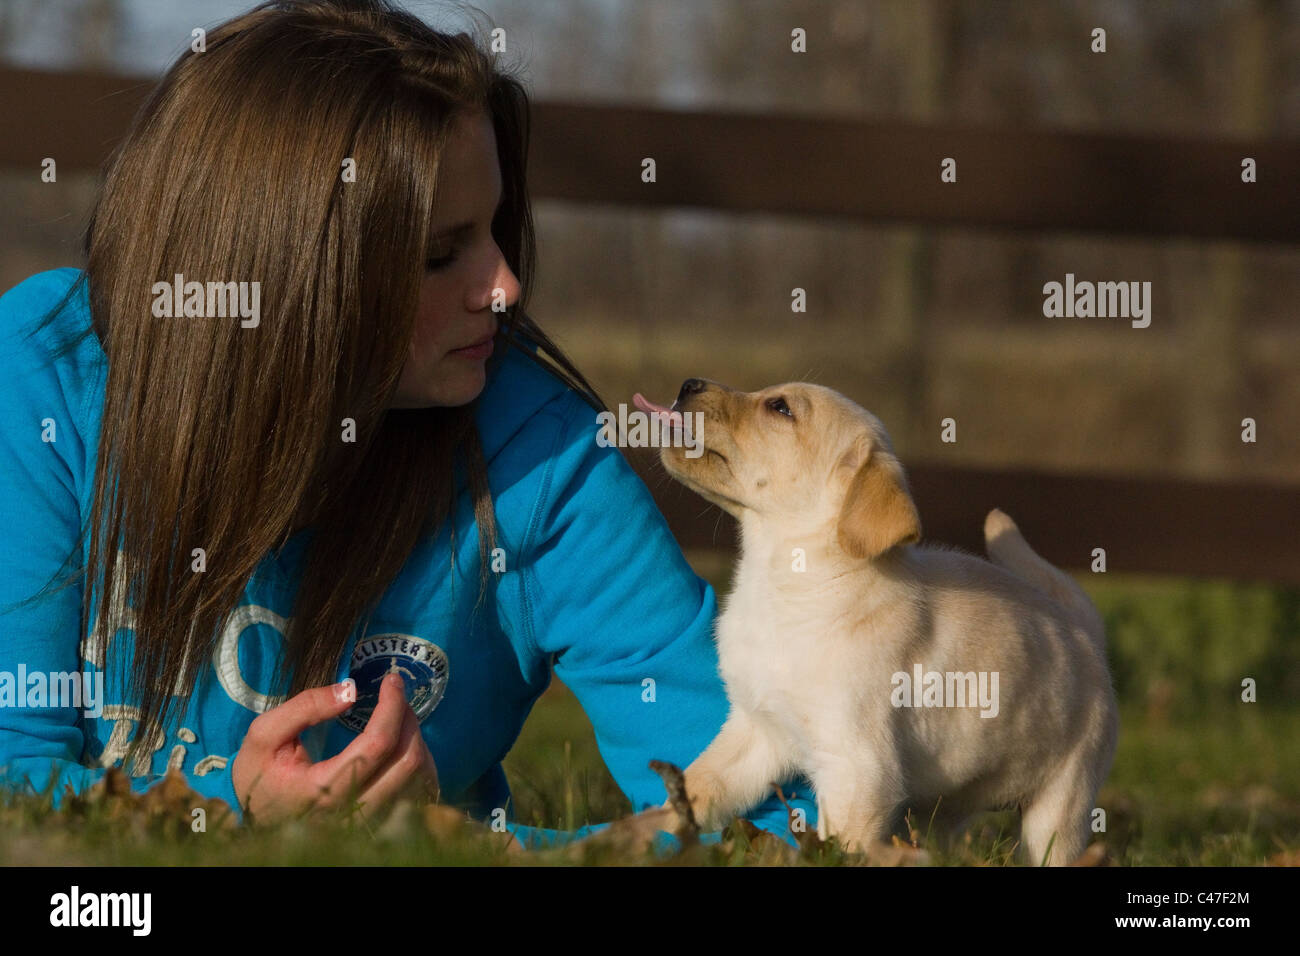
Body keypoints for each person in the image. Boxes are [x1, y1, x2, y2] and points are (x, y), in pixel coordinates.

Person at [0, 0, 817, 852]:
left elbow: (782, 817)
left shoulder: (542, 455)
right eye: (441, 252)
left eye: (496, 231)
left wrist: (440, 847)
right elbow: (12, 786)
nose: (504, 288)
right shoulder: (46, 377)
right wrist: (235, 826)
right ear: (286, 272)